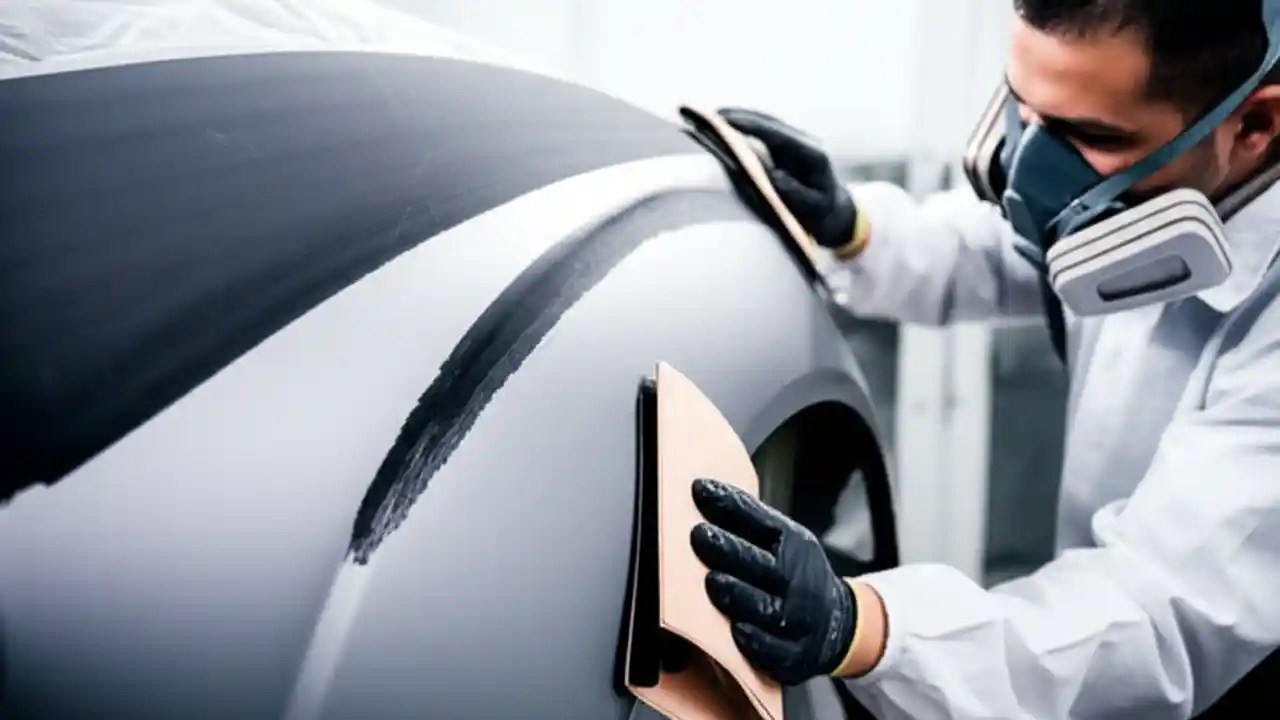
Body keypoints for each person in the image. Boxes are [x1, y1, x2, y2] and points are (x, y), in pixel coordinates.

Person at [689, 1, 1280, 717]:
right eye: (1025, 114)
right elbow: (1014, 246)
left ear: (1253, 126)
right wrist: (856, 228)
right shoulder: (1159, 194)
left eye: (1086, 136)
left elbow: (1159, 615)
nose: (1032, 172)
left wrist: (866, 628)